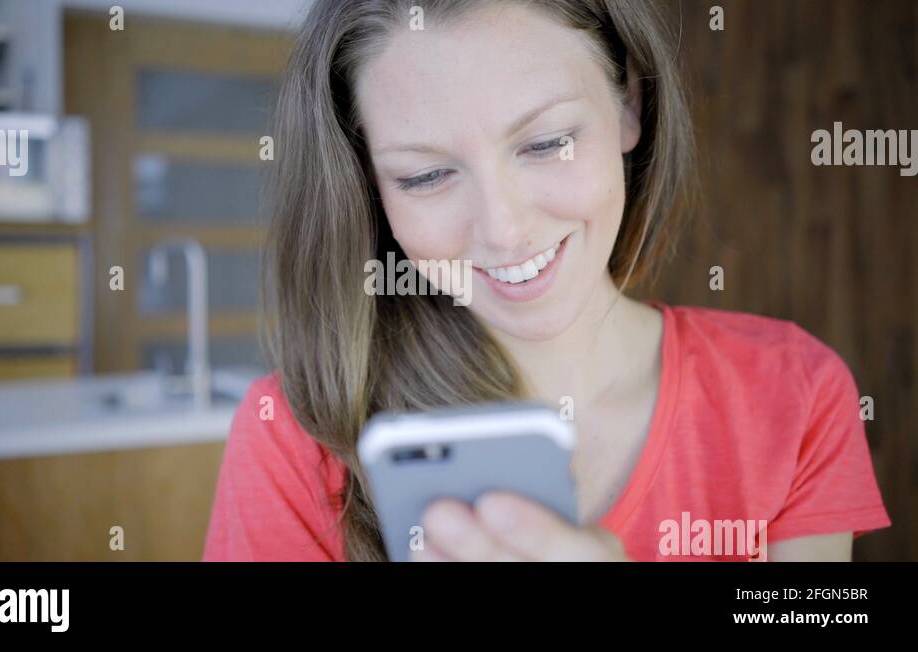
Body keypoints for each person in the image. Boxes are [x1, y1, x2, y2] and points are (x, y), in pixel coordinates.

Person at [203, 0, 891, 562]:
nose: (503, 230)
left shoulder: (794, 392)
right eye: (426, 175)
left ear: (630, 106)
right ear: (368, 187)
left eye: (545, 142)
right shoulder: (296, 438)